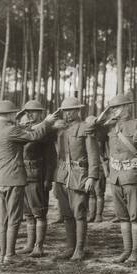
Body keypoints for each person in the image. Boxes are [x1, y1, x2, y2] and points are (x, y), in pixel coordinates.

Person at [0, 99, 55, 263]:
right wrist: (46, 122)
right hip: (14, 179)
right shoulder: (11, 130)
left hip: (0, 179)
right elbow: (33, 136)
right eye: (14, 113)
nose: (17, 115)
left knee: (2, 220)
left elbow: (23, 130)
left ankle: (3, 254)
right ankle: (10, 255)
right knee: (14, 219)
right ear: (9, 114)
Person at [94, 94, 137, 263]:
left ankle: (135, 252)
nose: (115, 111)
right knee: (123, 216)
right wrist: (105, 114)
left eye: (118, 107)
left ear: (128, 107)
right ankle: (126, 250)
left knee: (135, 215)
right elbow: (93, 129)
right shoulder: (109, 127)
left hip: (132, 175)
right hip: (115, 177)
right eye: (112, 108)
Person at [49, 95, 102, 261]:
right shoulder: (60, 130)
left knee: (79, 212)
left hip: (79, 176)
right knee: (66, 213)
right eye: (65, 111)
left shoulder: (85, 128)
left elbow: (94, 155)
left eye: (71, 110)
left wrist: (92, 177)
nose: (67, 114)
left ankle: (80, 249)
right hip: (62, 175)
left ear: (78, 110)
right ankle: (70, 247)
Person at [16, 99, 56, 257]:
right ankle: (29, 244)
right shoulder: (23, 128)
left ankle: (39, 246)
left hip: (37, 175)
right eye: (27, 112)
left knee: (39, 212)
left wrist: (48, 178)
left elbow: (51, 157)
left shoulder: (47, 131)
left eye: (33, 111)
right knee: (28, 214)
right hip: (22, 175)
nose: (30, 114)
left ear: (41, 113)